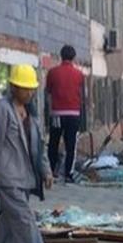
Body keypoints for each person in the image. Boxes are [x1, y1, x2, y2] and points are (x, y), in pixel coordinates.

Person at [0, 64, 53, 243]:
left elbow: (39, 147)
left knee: (8, 222)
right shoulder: (1, 110)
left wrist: (46, 171)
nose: (29, 92)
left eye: (31, 88)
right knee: (23, 218)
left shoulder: (32, 114)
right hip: (8, 177)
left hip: (26, 177)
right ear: (13, 87)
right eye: (25, 88)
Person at [46, 45, 85, 182]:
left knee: (53, 143)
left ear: (60, 56)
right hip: (73, 114)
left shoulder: (52, 72)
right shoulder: (79, 75)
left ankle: (50, 171)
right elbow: (82, 96)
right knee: (71, 146)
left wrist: (50, 113)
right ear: (73, 58)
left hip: (57, 114)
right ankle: (68, 174)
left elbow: (48, 93)